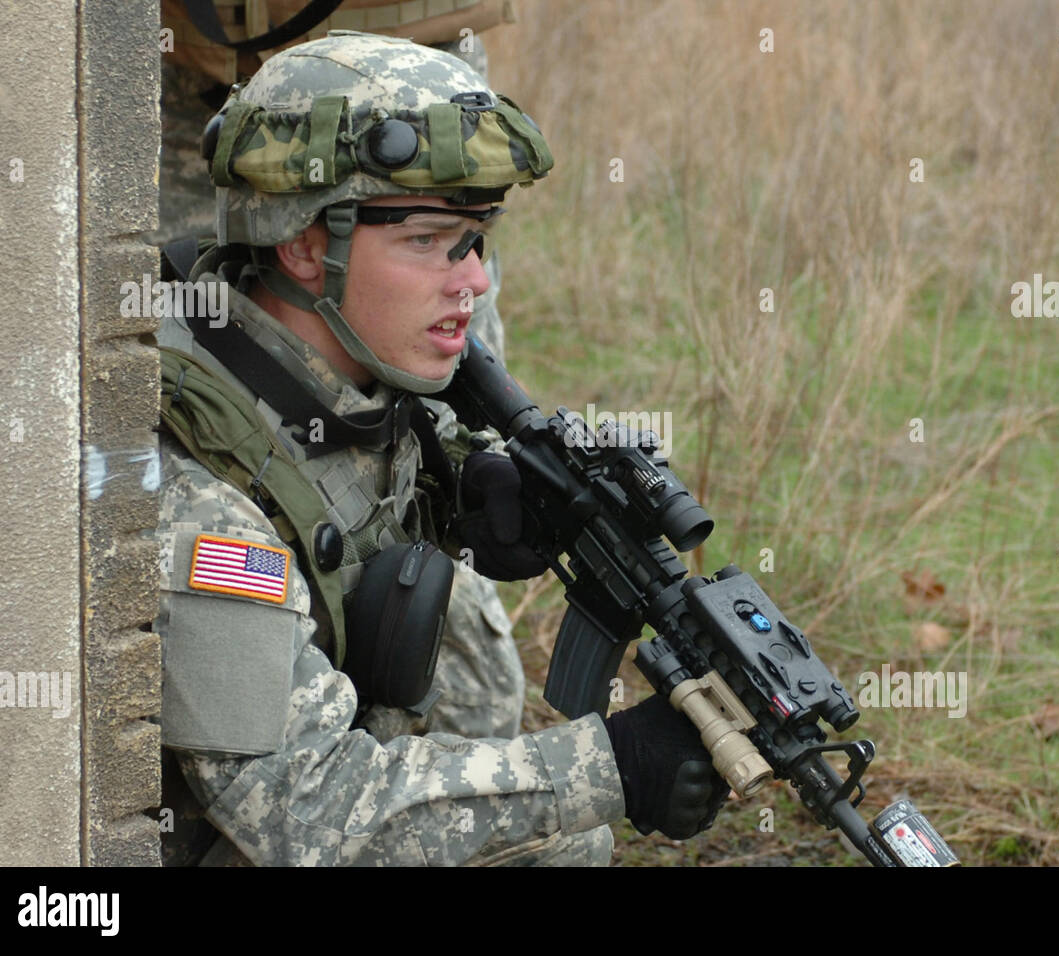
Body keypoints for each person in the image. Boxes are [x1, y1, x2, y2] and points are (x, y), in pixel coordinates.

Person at [154, 30, 728, 866]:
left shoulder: (344, 368)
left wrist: (469, 489)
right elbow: (306, 809)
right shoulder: (200, 497)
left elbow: (341, 474)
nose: (473, 281)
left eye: (477, 238)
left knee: (569, 846)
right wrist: (611, 765)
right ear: (306, 244)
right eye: (427, 241)